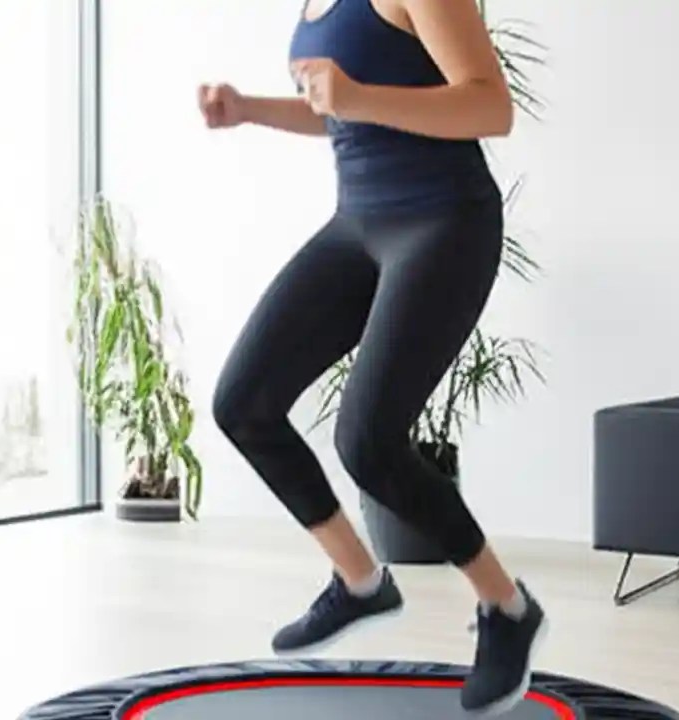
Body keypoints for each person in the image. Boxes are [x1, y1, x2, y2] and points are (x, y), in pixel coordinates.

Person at [200, 0, 545, 713]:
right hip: (360, 221)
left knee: (368, 440)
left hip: (445, 221)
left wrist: (353, 95)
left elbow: (489, 107)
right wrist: (249, 109)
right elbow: (337, 113)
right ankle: (361, 581)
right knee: (243, 404)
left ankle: (507, 608)